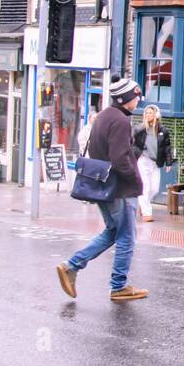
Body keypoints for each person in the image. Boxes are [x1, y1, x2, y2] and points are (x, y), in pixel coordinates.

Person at [56, 77, 148, 303]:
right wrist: (134, 178)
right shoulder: (120, 121)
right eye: (136, 97)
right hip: (120, 190)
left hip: (103, 186)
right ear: (127, 98)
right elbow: (119, 158)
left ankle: (72, 266)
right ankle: (119, 286)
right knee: (126, 237)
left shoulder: (104, 116)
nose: (137, 101)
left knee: (111, 232)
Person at [133, 104, 173, 222]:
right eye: (146, 113)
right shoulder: (139, 129)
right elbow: (131, 143)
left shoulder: (162, 130)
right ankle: (147, 213)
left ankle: (142, 203)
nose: (148, 115)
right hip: (143, 160)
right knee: (145, 188)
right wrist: (138, 153)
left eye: (150, 113)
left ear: (156, 115)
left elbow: (167, 147)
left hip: (156, 162)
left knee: (155, 189)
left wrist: (169, 163)